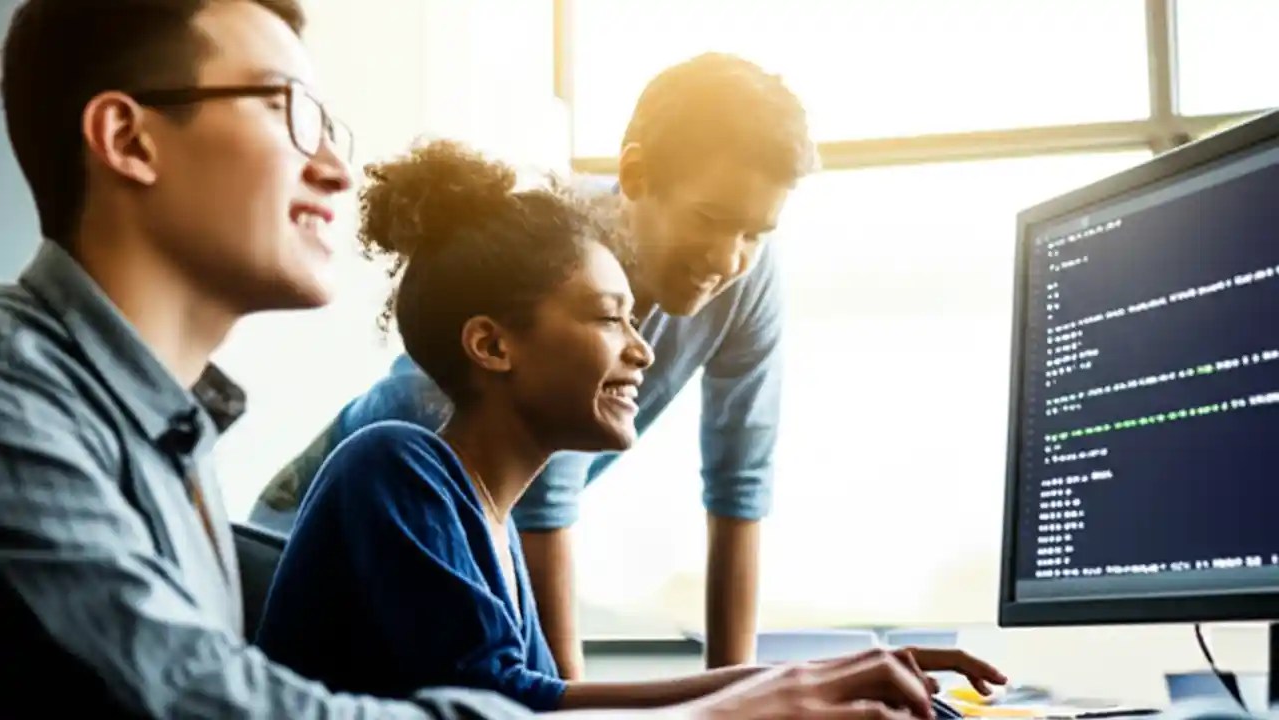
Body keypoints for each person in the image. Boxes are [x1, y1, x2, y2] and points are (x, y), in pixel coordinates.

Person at [0, 0, 980, 717]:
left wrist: (784, 684)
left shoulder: (173, 445)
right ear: (128, 139)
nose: (337, 168)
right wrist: (731, 709)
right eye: (283, 109)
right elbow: (215, 709)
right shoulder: (18, 398)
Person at [254, 140, 1008, 713]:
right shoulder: (392, 465)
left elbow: (532, 697)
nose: (644, 349)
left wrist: (813, 681)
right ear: (492, 344)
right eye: (610, 317)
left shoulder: (494, 525)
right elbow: (503, 711)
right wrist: (776, 696)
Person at [251, 50, 812, 678]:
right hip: (313, 533)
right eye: (712, 219)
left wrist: (748, 696)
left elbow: (741, 482)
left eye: (756, 233)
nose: (733, 258)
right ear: (636, 173)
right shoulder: (551, 267)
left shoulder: (500, 521)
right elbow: (524, 695)